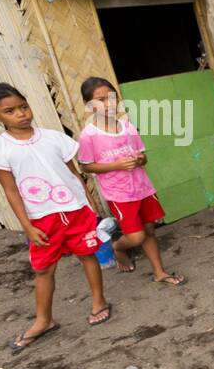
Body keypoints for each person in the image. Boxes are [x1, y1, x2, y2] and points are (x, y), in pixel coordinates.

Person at [0, 83, 112, 351]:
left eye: (23, 106)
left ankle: (99, 301)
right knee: (44, 270)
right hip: (41, 219)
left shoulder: (55, 138)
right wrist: (27, 227)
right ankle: (44, 320)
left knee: (88, 255)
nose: (21, 114)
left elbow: (75, 174)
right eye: (10, 111)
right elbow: (11, 192)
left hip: (75, 211)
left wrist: (91, 204)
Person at [76, 77, 184, 286]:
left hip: (143, 188)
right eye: (100, 100)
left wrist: (140, 159)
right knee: (136, 237)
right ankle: (118, 247)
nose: (108, 104)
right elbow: (86, 166)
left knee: (150, 231)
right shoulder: (88, 136)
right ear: (89, 105)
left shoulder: (127, 126)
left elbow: (143, 155)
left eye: (111, 98)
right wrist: (116, 165)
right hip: (120, 193)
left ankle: (159, 271)